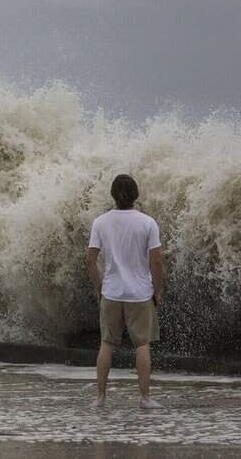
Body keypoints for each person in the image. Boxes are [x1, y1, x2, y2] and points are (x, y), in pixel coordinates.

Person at [86, 173, 164, 409]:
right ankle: (145, 398)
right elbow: (157, 262)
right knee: (142, 345)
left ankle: (100, 397)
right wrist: (157, 291)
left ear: (113, 195)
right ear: (135, 195)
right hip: (139, 293)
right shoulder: (147, 222)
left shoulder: (101, 222)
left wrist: (99, 287)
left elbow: (90, 260)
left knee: (107, 344)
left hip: (111, 292)